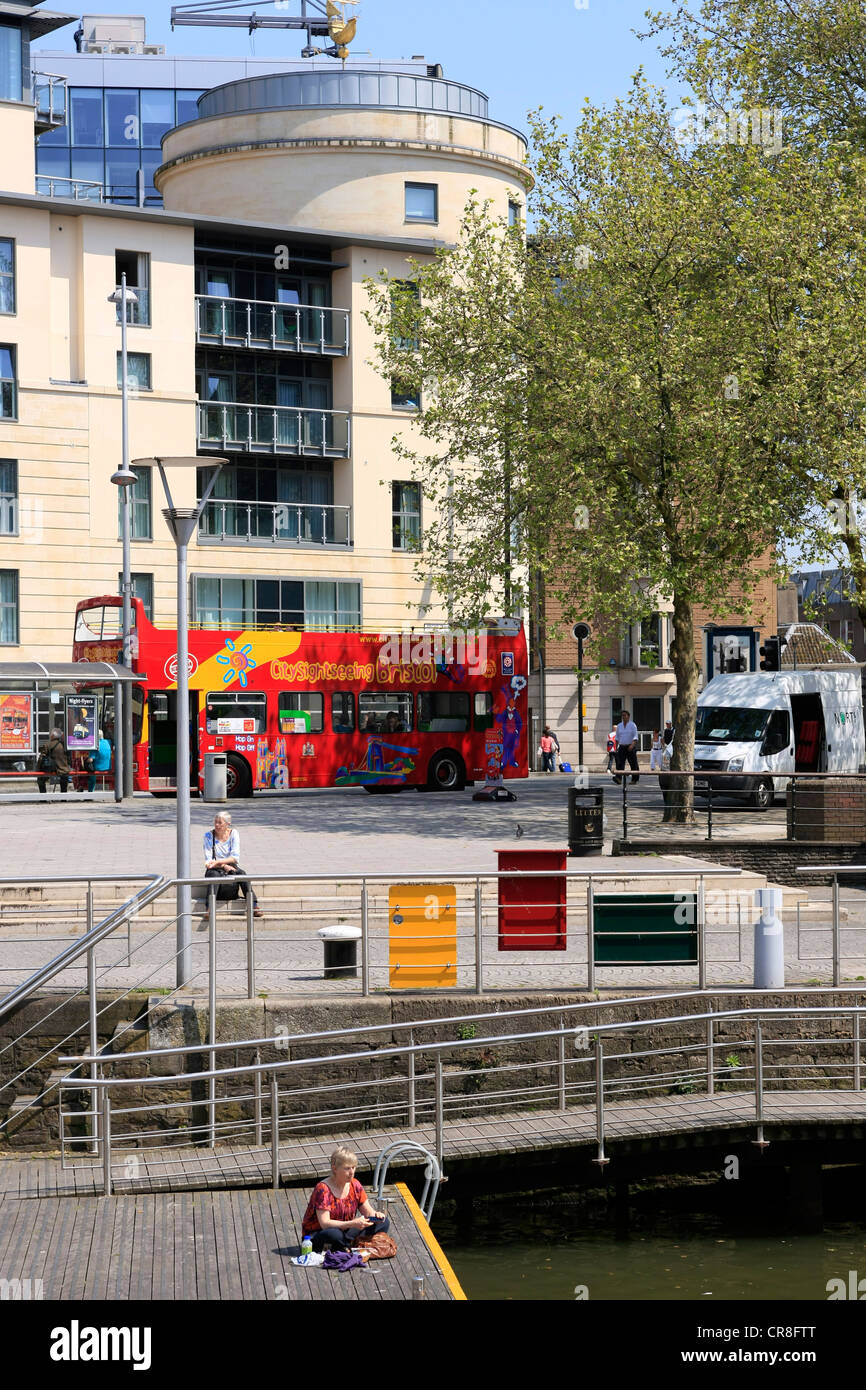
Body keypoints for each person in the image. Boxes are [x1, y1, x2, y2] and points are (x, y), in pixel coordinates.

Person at [300, 1146, 390, 1253]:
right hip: (319, 1234)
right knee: (334, 1234)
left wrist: (376, 1215)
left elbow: (368, 1211)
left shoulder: (355, 1184)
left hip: (346, 1231)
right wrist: (352, 1224)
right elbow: (325, 1223)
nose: (351, 1172)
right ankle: (352, 1244)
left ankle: (346, 1245)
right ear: (334, 1168)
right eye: (347, 1168)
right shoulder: (323, 1189)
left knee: (384, 1222)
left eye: (353, 1167)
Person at [203, 812, 263, 916]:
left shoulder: (234, 833)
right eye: (215, 822)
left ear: (227, 824)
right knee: (214, 876)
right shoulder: (208, 836)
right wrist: (223, 865)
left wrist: (220, 862)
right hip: (214, 868)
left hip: (230, 865)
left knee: (242, 874)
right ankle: (209, 908)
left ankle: (254, 905)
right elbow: (209, 862)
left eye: (220, 823)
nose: (217, 825)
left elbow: (235, 858)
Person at [37, 727, 70, 794]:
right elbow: (69, 757)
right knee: (64, 781)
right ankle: (63, 798)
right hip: (64, 769)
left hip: (52, 768)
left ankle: (43, 797)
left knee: (40, 780)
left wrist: (38, 767)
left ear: (52, 736)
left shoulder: (48, 744)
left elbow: (41, 758)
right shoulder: (65, 745)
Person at [614, 709, 640, 784]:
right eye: (622, 715)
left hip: (630, 747)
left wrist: (632, 745)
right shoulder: (619, 725)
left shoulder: (632, 725)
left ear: (628, 716)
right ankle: (618, 779)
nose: (623, 717)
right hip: (622, 747)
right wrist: (616, 748)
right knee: (619, 763)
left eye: (625, 715)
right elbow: (617, 738)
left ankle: (634, 779)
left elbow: (635, 737)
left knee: (633, 764)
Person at [88, 728, 112, 793]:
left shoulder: (95, 745)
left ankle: (90, 792)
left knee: (90, 773)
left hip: (98, 768)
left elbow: (91, 760)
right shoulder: (108, 742)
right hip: (108, 767)